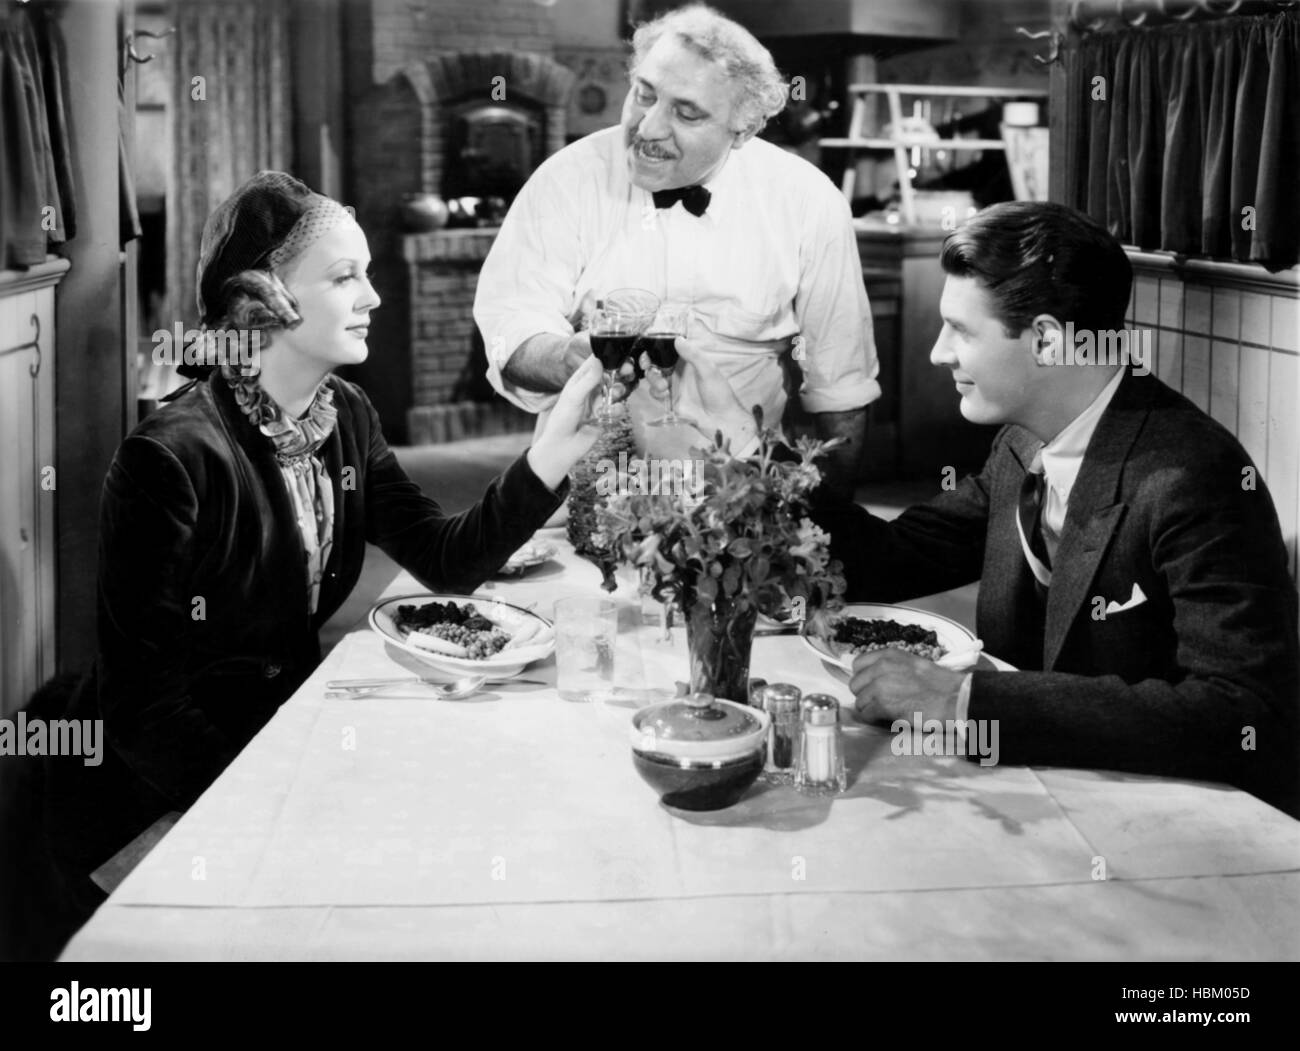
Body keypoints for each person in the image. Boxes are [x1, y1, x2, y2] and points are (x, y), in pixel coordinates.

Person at [40, 172, 605, 945]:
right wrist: (286, 799)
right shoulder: (169, 459)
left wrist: (548, 457)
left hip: (282, 737)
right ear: (262, 295)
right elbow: (147, 714)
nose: (373, 297)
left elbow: (444, 557)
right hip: (161, 794)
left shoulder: (345, 416)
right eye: (345, 277)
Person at [657, 201, 1300, 816]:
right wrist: (748, 448)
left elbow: (1241, 712)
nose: (939, 352)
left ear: (1047, 340)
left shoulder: (1196, 476)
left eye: (961, 330)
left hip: (1177, 834)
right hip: (1037, 798)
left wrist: (964, 699)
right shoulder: (1022, 442)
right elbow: (890, 560)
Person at [473, 1, 879, 498]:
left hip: (739, 500)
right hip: (587, 492)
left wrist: (830, 522)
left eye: (686, 113)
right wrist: (568, 355)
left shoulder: (810, 203)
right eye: (643, 95)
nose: (647, 128)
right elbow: (510, 323)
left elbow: (842, 383)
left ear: (743, 130)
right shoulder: (566, 179)